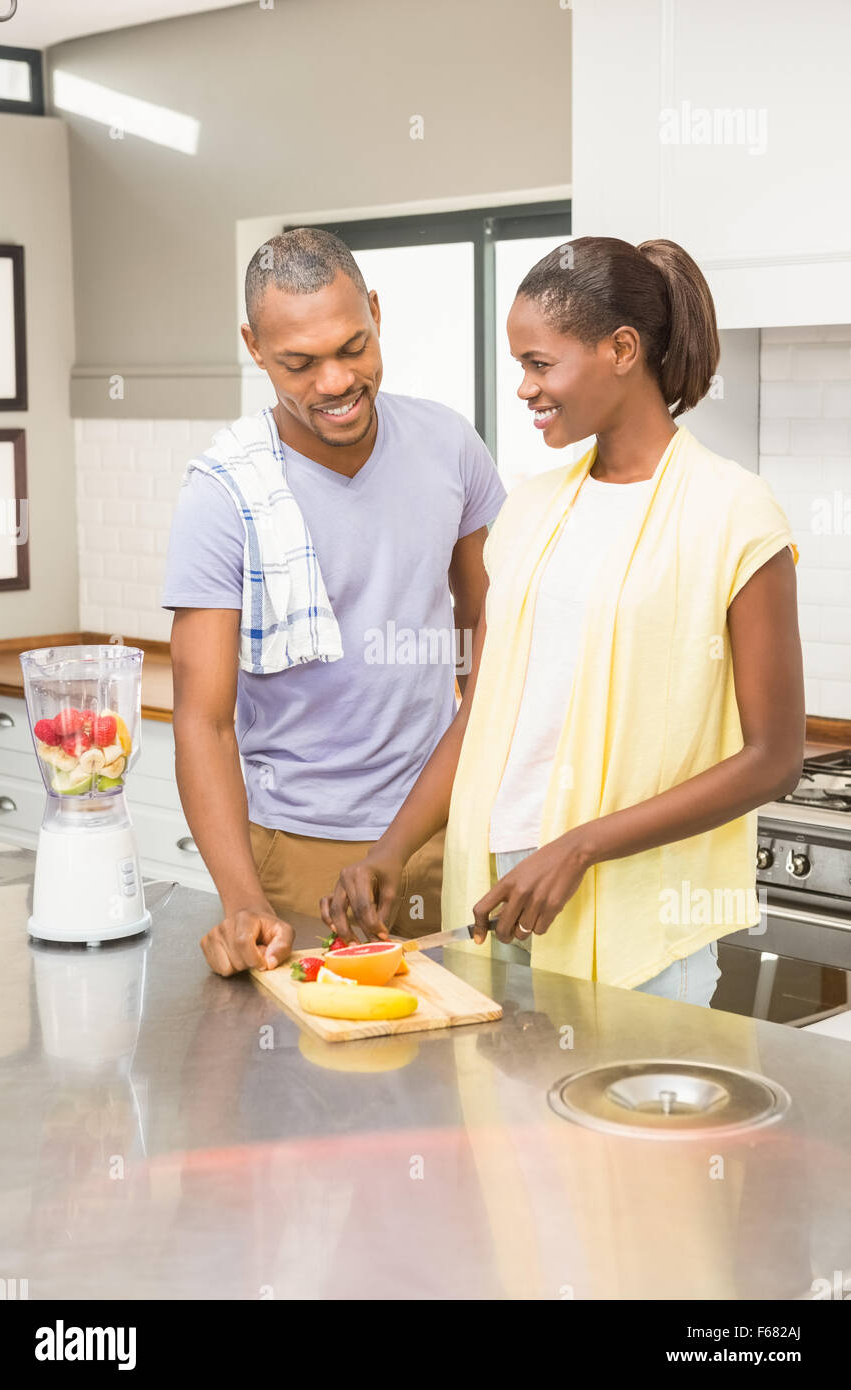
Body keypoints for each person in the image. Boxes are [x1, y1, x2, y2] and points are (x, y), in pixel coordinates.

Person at [322, 236, 805, 1008]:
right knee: (499, 1130)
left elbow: (775, 756)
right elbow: (483, 709)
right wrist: (393, 850)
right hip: (497, 908)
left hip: (637, 936)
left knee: (616, 1133)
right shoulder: (536, 509)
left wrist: (579, 848)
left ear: (621, 349)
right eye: (520, 366)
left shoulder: (734, 512)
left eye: (540, 364)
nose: (523, 388)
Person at [161, 228, 506, 977]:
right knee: (307, 1083)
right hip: (298, 855)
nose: (334, 381)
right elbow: (203, 719)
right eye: (299, 362)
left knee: (452, 1079)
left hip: (444, 836)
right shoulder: (222, 496)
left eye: (353, 347)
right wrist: (242, 899)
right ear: (255, 349)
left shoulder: (449, 445)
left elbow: (492, 644)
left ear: (376, 312)